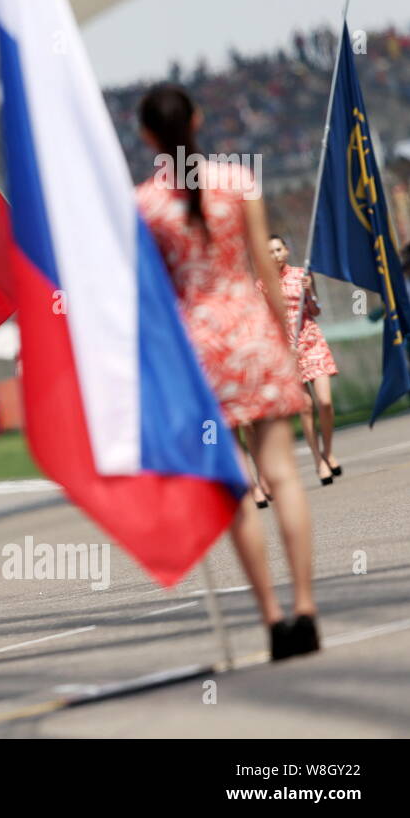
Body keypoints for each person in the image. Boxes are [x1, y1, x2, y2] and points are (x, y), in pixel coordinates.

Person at [135, 83, 319, 661]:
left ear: (146, 136)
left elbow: (155, 294)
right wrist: (284, 347)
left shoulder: (143, 204)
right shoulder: (236, 182)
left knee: (235, 490)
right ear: (197, 117)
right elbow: (264, 266)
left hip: (199, 354)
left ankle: (269, 616)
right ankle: (306, 606)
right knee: (284, 476)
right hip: (252, 338)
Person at [267, 235, 341, 483]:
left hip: (311, 342)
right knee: (306, 407)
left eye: (278, 249)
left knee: (325, 401)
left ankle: (328, 452)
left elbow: (316, 310)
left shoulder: (302, 275)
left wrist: (310, 291)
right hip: (285, 350)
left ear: (286, 250)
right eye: (270, 252)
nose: (275, 255)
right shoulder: (262, 284)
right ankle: (318, 461)